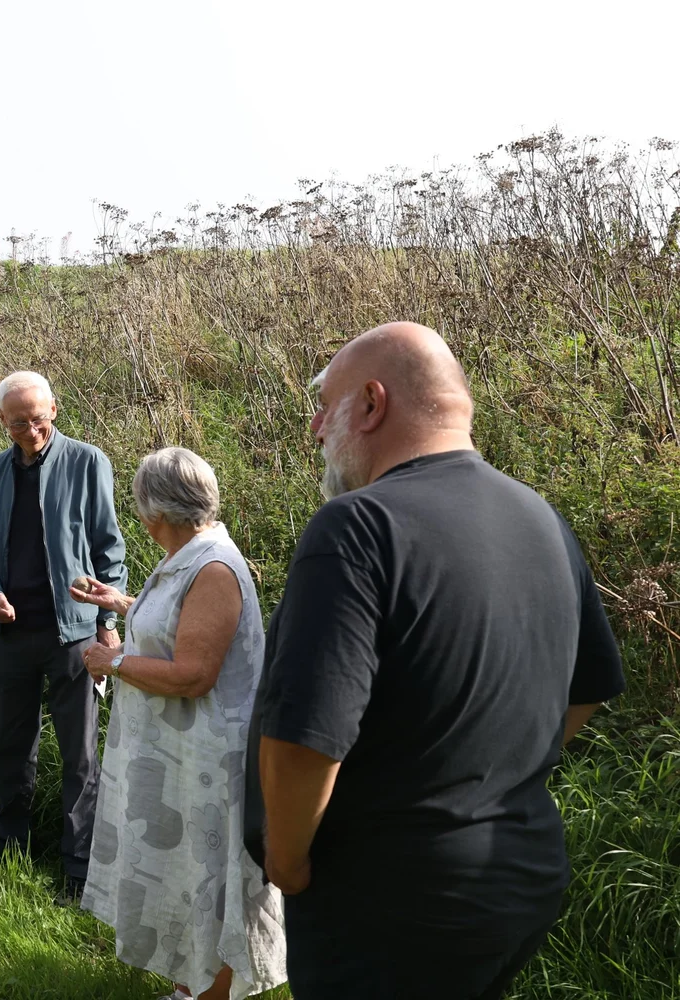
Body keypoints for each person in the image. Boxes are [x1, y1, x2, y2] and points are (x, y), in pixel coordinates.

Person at [245, 322, 627, 999]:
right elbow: (589, 687)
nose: (315, 428)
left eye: (324, 406)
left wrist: (287, 858)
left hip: (385, 908)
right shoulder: (540, 518)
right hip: (517, 882)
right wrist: (480, 778)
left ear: (372, 402)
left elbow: (306, 740)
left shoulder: (359, 527)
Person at [74, 447, 287, 1000]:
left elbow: (194, 674)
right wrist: (122, 602)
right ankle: (189, 987)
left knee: (208, 875)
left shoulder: (213, 567)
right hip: (182, 754)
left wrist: (113, 662)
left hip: (208, 760)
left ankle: (211, 992)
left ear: (157, 513)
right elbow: (180, 624)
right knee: (182, 871)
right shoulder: (191, 555)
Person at [0, 370, 128, 901]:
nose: (30, 431)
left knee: (79, 756)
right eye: (18, 423)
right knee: (11, 747)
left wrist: (107, 625)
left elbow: (109, 548)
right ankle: (8, 851)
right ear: (1, 421)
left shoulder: (87, 462)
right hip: (13, 634)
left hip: (74, 635)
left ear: (54, 409)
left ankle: (80, 869)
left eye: (37, 419)